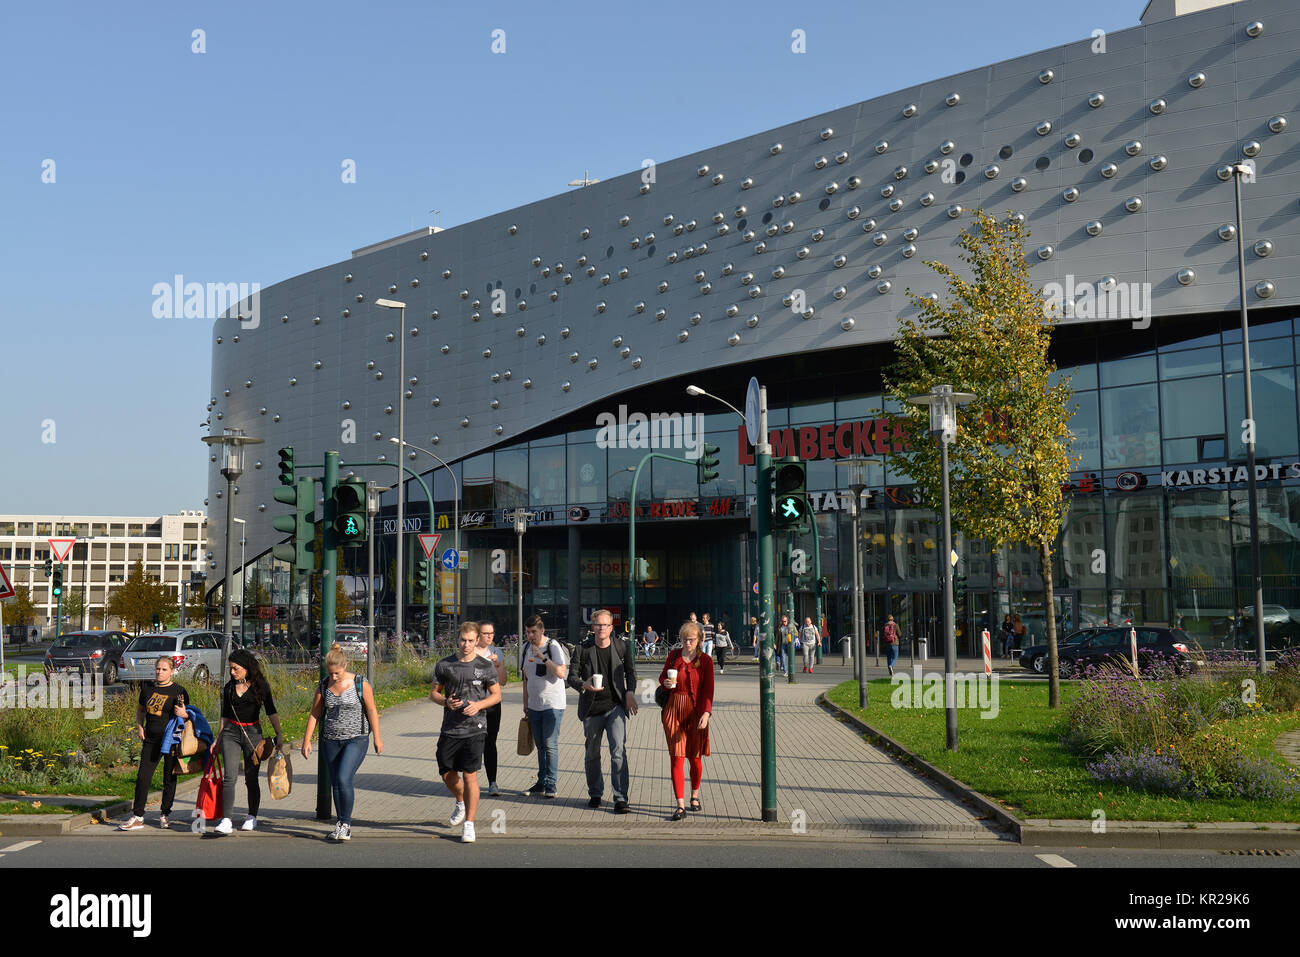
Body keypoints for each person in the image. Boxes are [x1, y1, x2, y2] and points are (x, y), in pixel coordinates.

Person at [303, 645, 384, 842]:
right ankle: (340, 823)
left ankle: (346, 823)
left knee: (343, 777)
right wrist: (306, 740)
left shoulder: (360, 683)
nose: (334, 677)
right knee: (336, 782)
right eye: (331, 673)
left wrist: (377, 737)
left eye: (337, 673)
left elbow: (372, 710)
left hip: (356, 738)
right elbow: (315, 713)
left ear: (345, 666)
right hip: (331, 739)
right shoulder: (324, 685)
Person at [432, 621, 501, 843]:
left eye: (471, 640)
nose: (466, 644)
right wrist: (445, 702)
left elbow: (496, 695)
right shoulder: (445, 665)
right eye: (463, 640)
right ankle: (460, 800)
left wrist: (479, 705)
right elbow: (433, 693)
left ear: (477, 640)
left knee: (470, 774)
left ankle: (469, 824)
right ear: (457, 639)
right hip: (450, 728)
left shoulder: (485, 666)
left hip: (476, 728)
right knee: (446, 773)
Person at [567, 609, 638, 813]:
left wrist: (630, 692)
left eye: (605, 625)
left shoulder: (621, 646)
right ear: (593, 627)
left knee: (618, 753)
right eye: (598, 625)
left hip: (615, 707)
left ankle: (620, 798)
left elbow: (631, 673)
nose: (601, 628)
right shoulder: (582, 649)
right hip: (592, 709)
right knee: (592, 754)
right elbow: (571, 677)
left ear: (611, 627)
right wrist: (584, 684)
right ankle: (595, 793)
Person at [210, 648, 284, 834]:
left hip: (253, 734)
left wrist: (279, 734)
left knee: (251, 778)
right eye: (230, 669)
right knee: (230, 777)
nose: (232, 672)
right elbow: (225, 714)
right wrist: (218, 737)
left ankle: (252, 816)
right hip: (231, 733)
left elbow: (271, 711)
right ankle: (226, 819)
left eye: (236, 668)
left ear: (246, 667)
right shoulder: (228, 688)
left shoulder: (260, 686)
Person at [119, 657, 189, 830]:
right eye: (158, 669)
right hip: (150, 738)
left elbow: (187, 716)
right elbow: (141, 710)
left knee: (169, 777)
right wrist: (139, 727)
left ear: (172, 671)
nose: (160, 672)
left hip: (171, 739)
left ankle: (165, 813)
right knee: (143, 776)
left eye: (164, 669)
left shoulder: (178, 691)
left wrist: (184, 714)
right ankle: (138, 815)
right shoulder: (148, 688)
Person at [659, 621, 714, 821]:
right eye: (684, 639)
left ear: (699, 639)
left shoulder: (706, 660)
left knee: (695, 758)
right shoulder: (674, 656)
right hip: (674, 710)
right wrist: (665, 683)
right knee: (677, 757)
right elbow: (662, 679)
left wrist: (706, 714)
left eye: (691, 639)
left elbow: (708, 690)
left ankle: (694, 795)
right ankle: (680, 805)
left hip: (697, 712)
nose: (687, 643)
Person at [519, 614, 568, 798]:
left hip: (553, 704)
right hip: (534, 705)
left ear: (542, 630)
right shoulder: (525, 648)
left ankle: (551, 784)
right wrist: (525, 703)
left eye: (534, 632)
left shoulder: (552, 646)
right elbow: (526, 678)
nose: (531, 636)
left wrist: (543, 658)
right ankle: (541, 782)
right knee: (540, 745)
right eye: (528, 632)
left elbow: (561, 673)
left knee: (550, 744)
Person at [475, 620, 507, 797]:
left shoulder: (497, 652)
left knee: (490, 741)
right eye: (485, 633)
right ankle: (470, 779)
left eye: (491, 633)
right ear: (477, 634)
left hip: (492, 704)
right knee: (473, 741)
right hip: (474, 704)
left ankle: (492, 782)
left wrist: (497, 665)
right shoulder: (470, 652)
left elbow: (502, 681)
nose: (489, 637)